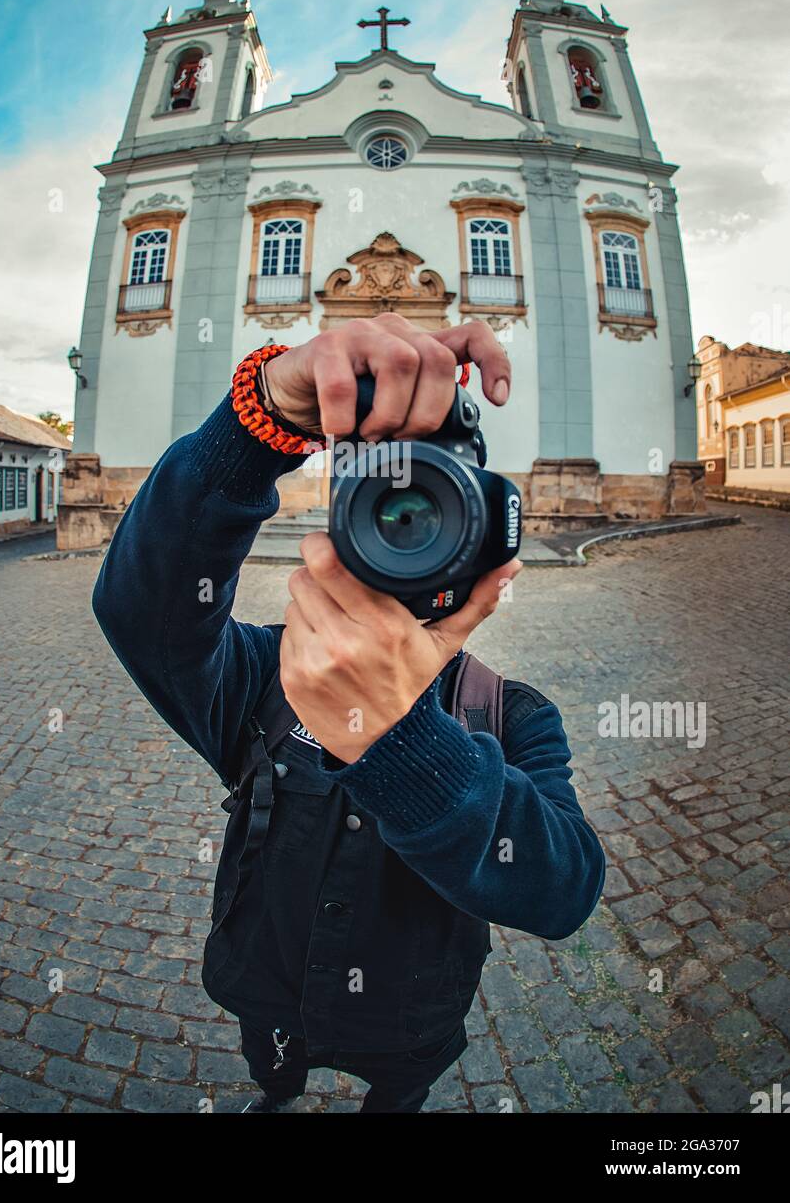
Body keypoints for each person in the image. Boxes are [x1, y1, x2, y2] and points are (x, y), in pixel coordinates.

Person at [93, 313, 605, 1113]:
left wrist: (402, 738)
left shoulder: (514, 716)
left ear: (493, 563)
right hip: (269, 993)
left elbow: (563, 887)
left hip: (413, 1018)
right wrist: (258, 420)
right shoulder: (272, 672)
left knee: (398, 1095)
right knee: (275, 1076)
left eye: (431, 516)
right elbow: (141, 610)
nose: (407, 531)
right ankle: (277, 1091)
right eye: (387, 511)